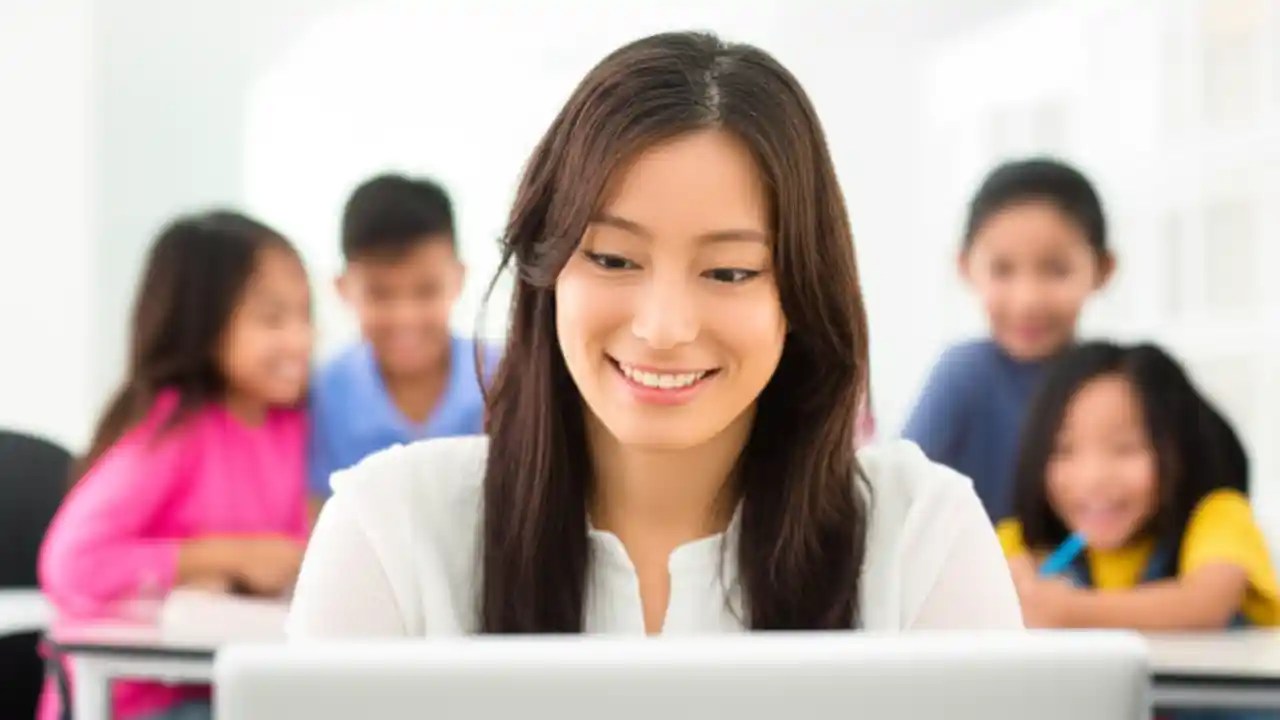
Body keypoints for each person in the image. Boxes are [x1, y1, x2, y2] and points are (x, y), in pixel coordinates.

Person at [289, 31, 1020, 640]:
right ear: (548, 271)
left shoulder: (921, 537)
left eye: (730, 272)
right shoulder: (390, 532)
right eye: (612, 259)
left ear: (801, 291)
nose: (663, 327)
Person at [39, 211, 313, 720]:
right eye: (273, 320)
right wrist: (226, 556)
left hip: (225, 689)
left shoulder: (289, 428)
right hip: (137, 702)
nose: (300, 340)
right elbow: (71, 564)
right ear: (203, 326)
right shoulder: (175, 431)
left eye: (304, 315)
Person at [998, 342, 1273, 633]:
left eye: (1125, 448)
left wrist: (1068, 611)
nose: (1093, 477)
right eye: (1063, 450)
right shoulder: (1020, 539)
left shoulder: (1219, 516)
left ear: (1181, 449)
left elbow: (1205, 604)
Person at [902, 158, 1115, 522]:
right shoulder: (963, 375)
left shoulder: (1114, 384)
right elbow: (895, 497)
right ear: (965, 267)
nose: (1027, 299)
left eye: (1056, 269)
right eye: (1002, 270)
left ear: (1103, 269)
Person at [308, 174, 495, 502]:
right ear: (342, 288)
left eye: (427, 290)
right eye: (380, 294)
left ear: (459, 278)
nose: (405, 317)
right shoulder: (324, 395)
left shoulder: (507, 378)